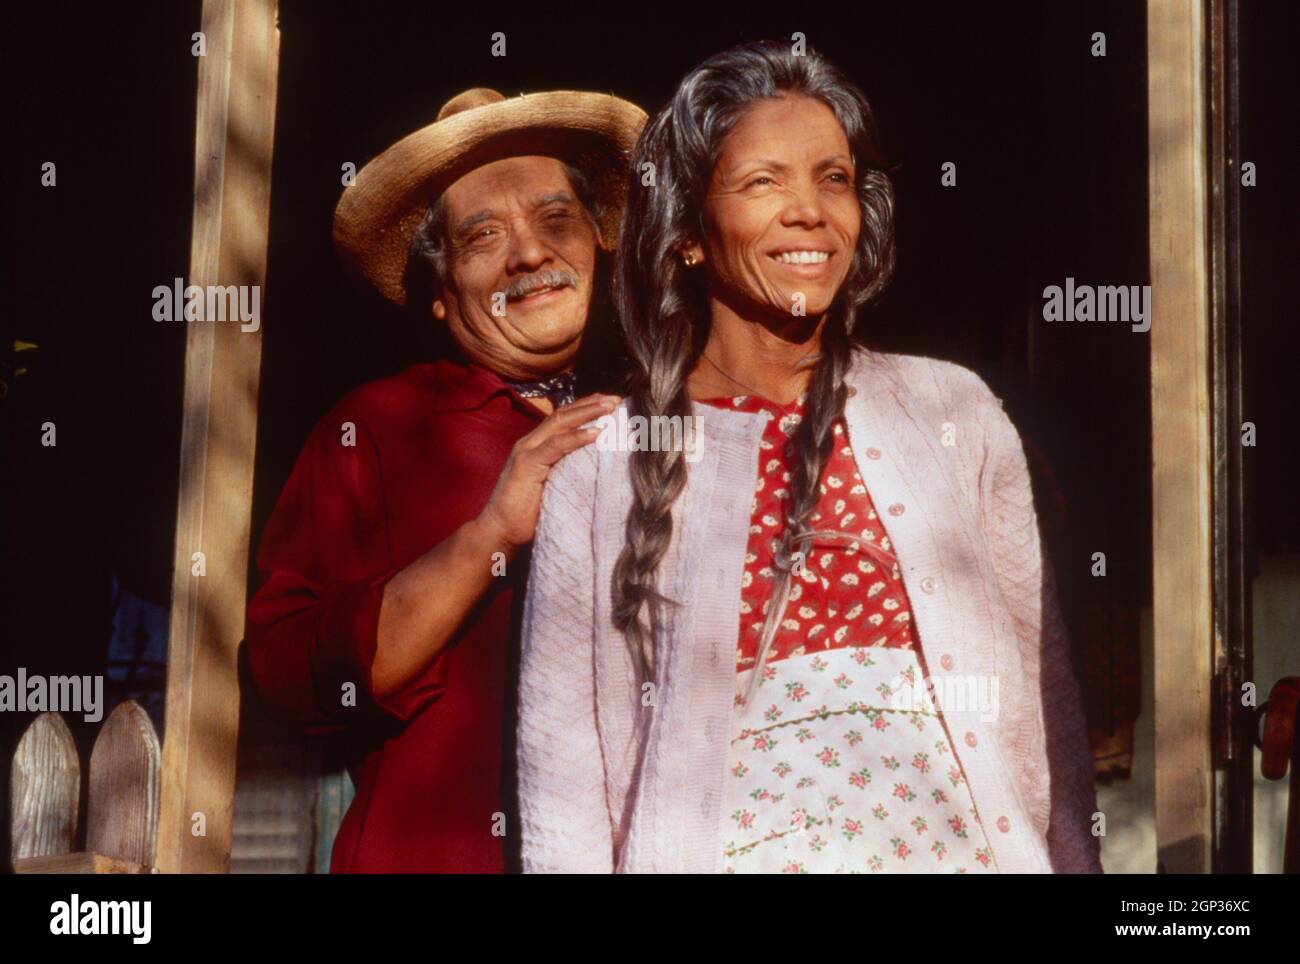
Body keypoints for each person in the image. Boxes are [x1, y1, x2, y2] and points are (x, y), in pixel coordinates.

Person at [516, 43, 1102, 873]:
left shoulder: (953, 412)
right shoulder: (603, 471)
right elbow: (564, 781)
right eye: (763, 182)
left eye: (833, 179)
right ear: (686, 229)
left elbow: (1046, 707)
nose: (810, 212)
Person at [245, 87, 644, 872]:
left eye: (556, 218)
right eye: (483, 235)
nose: (530, 255)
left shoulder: (659, 425)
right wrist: (486, 539)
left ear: (600, 240)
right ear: (438, 291)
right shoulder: (378, 427)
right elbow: (286, 678)